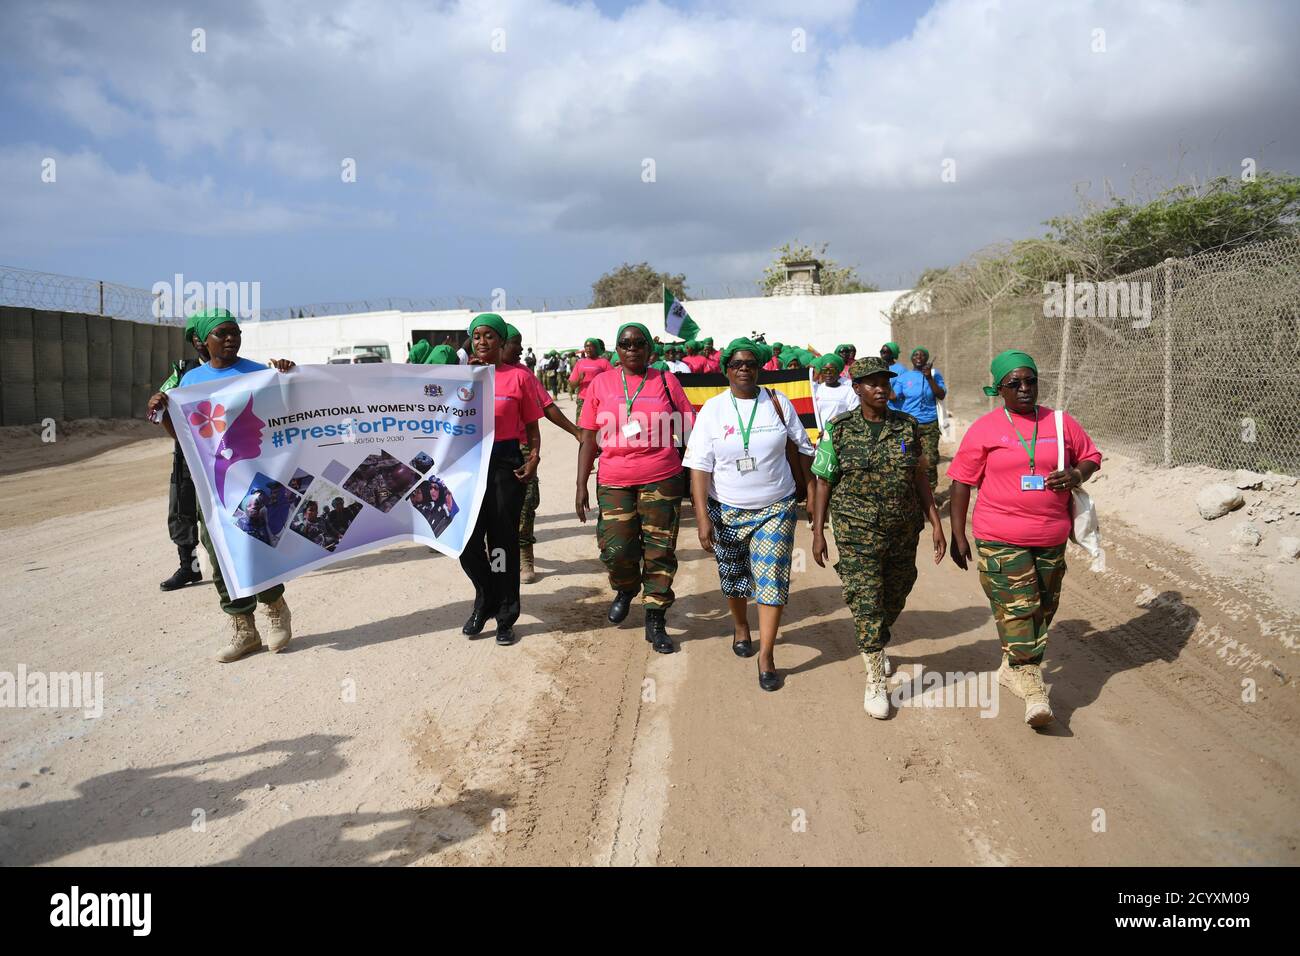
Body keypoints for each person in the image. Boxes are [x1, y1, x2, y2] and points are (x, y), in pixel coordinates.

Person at [947, 349, 1102, 729]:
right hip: (999, 534)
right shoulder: (985, 429)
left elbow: (1091, 456)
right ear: (999, 388)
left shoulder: (1061, 422)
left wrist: (1076, 476)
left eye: (1030, 380)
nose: (1024, 388)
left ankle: (1011, 663)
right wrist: (956, 533)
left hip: (1051, 535)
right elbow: (961, 482)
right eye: (1014, 383)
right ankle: (1032, 686)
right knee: (1019, 606)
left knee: (1044, 607)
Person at [150, 308, 298, 663]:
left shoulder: (260, 372)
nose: (231, 338)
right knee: (221, 553)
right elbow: (186, 436)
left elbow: (290, 415)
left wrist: (291, 378)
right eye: (222, 333)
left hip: (254, 478)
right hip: (214, 480)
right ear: (204, 341)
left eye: (235, 332)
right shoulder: (190, 382)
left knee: (255, 544)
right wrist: (163, 412)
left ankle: (275, 607)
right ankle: (243, 626)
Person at [810, 357, 946, 719]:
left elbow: (919, 479)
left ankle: (877, 641)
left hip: (902, 529)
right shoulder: (838, 430)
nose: (881, 388)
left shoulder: (907, 428)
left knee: (896, 592)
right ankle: (874, 678)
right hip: (856, 532)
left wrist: (935, 522)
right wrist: (819, 531)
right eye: (872, 383)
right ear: (856, 389)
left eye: (884, 382)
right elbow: (823, 483)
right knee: (866, 599)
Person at [684, 338, 815, 691]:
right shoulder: (712, 410)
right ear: (726, 369)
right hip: (726, 506)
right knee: (734, 576)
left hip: (777, 504)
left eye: (751, 364)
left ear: (759, 369)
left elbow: (803, 448)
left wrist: (812, 494)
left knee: (771, 576)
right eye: (737, 364)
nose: (744, 369)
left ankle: (767, 655)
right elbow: (698, 466)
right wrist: (701, 517)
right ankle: (741, 626)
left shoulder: (777, 402)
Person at [576, 321, 696, 653]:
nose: (632, 349)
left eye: (639, 343)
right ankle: (626, 587)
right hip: (614, 479)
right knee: (616, 550)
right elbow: (588, 437)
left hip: (661, 475)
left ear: (649, 349)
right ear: (616, 349)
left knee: (659, 551)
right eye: (626, 344)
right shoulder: (601, 383)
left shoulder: (666, 380)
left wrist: (696, 481)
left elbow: (687, 428)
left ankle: (655, 618)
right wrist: (580, 484)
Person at [457, 313, 543, 646]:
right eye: (476, 336)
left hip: (505, 461)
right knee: (465, 541)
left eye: (490, 336)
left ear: (502, 341)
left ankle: (506, 616)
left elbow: (533, 427)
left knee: (503, 542)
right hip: (467, 462)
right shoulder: (458, 379)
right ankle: (487, 597)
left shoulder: (518, 378)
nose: (482, 341)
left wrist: (534, 458)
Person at [503, 324, 581, 583]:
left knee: (525, 506)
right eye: (517, 343)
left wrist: (576, 431)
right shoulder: (475, 373)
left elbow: (546, 406)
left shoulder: (523, 373)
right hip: (485, 453)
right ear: (502, 343)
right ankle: (498, 561)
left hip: (521, 449)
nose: (521, 349)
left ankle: (526, 559)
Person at [148, 312, 209, 591]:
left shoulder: (237, 370)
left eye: (203, 334)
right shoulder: (183, 371)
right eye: (194, 337)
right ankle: (190, 567)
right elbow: (157, 409)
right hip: (188, 453)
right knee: (182, 509)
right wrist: (156, 402)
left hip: (228, 454)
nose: (199, 341)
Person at [888, 347, 947, 492]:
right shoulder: (904, 377)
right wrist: (885, 381)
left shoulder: (934, 374)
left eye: (922, 355)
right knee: (905, 456)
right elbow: (894, 397)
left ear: (927, 358)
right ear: (911, 358)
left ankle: (930, 493)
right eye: (915, 354)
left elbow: (941, 395)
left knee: (930, 461)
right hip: (908, 426)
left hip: (929, 425)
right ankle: (911, 492)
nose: (919, 357)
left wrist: (928, 377)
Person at [811, 354, 859, 432]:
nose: (828, 373)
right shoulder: (816, 390)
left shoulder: (849, 391)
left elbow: (854, 415)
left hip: (839, 434)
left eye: (831, 370)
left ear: (838, 371)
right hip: (818, 436)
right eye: (824, 370)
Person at [569, 338, 613, 420]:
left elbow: (613, 380)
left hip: (600, 400)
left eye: (591, 346)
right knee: (581, 426)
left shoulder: (604, 362)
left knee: (598, 426)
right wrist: (579, 380)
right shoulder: (580, 363)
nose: (588, 349)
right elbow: (572, 385)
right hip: (583, 400)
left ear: (596, 348)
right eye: (586, 346)